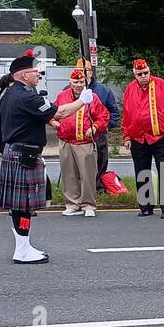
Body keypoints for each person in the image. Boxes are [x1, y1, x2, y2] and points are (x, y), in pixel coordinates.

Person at [0, 49, 91, 263]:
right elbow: (59, 112)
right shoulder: (26, 95)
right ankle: (22, 250)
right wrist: (82, 101)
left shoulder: (9, 94)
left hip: (17, 152)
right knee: (24, 206)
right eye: (35, 71)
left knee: (19, 206)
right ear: (22, 75)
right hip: (24, 155)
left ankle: (23, 245)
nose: (38, 75)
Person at [122, 58, 164, 218]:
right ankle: (145, 207)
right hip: (138, 139)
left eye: (146, 72)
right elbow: (126, 115)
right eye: (140, 74)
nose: (144, 76)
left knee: (163, 171)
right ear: (135, 75)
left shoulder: (160, 84)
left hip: (160, 137)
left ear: (149, 71)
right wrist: (126, 136)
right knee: (142, 172)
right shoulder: (130, 89)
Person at [54, 65, 109, 217]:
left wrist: (95, 127)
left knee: (88, 175)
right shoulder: (62, 96)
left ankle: (88, 204)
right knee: (68, 174)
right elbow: (53, 113)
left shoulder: (92, 98)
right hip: (66, 141)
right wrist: (54, 123)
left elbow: (104, 116)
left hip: (85, 142)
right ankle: (72, 203)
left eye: (81, 83)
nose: (79, 86)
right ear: (70, 82)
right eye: (75, 82)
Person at [86, 65, 120, 190]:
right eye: (80, 71)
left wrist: (108, 126)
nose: (83, 74)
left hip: (99, 132)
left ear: (91, 73)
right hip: (78, 134)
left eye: (86, 71)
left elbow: (114, 111)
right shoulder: (68, 89)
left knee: (100, 159)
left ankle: (98, 187)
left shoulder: (103, 90)